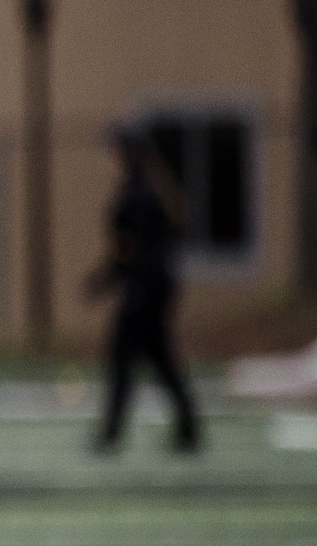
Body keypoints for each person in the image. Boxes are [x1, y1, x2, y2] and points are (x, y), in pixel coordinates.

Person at [86, 127, 202, 454]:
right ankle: (187, 427)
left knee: (123, 357)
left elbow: (127, 250)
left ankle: (112, 432)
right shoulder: (154, 192)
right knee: (160, 357)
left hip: (143, 289)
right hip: (157, 286)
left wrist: (104, 280)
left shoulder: (134, 196)